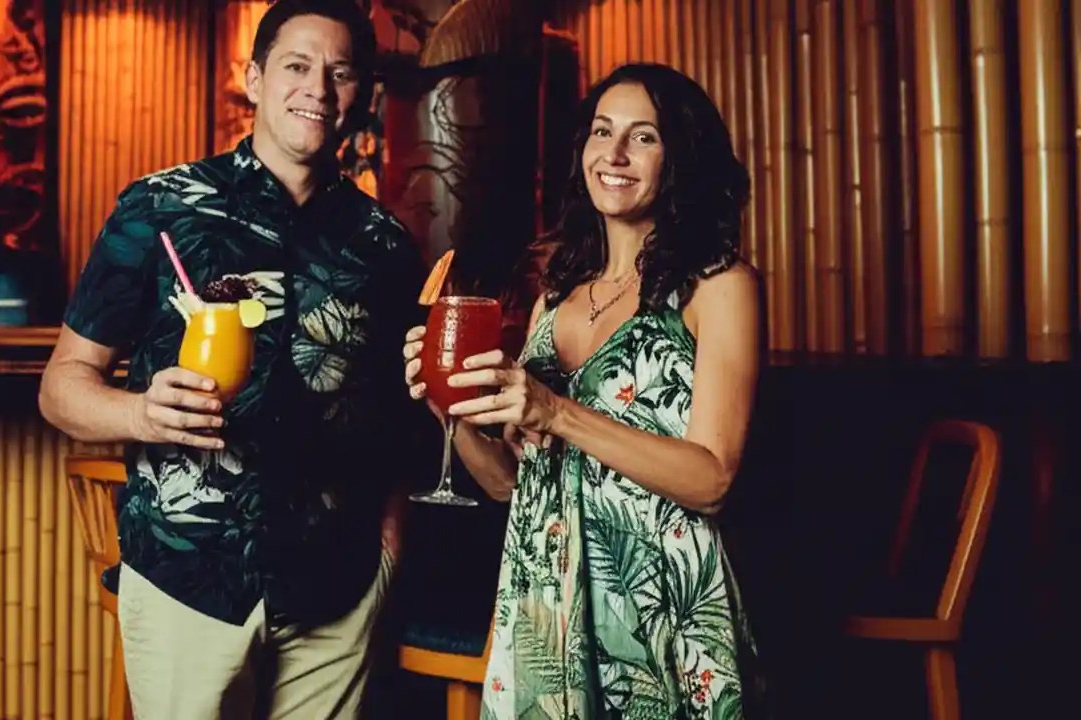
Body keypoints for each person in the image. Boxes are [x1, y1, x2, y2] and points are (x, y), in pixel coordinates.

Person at [39, 1, 427, 717]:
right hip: (191, 576)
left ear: (362, 96)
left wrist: (386, 556)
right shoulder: (160, 209)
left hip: (333, 593)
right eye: (297, 66)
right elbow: (62, 387)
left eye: (340, 72)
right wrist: (141, 412)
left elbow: (400, 418)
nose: (319, 87)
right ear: (253, 79)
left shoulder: (386, 246)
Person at [403, 63, 766, 718]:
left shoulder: (720, 285)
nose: (615, 154)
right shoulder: (557, 291)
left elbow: (713, 478)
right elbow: (509, 484)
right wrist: (448, 407)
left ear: (679, 156)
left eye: (643, 136)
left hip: (658, 605)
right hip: (546, 606)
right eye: (603, 131)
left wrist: (556, 411)